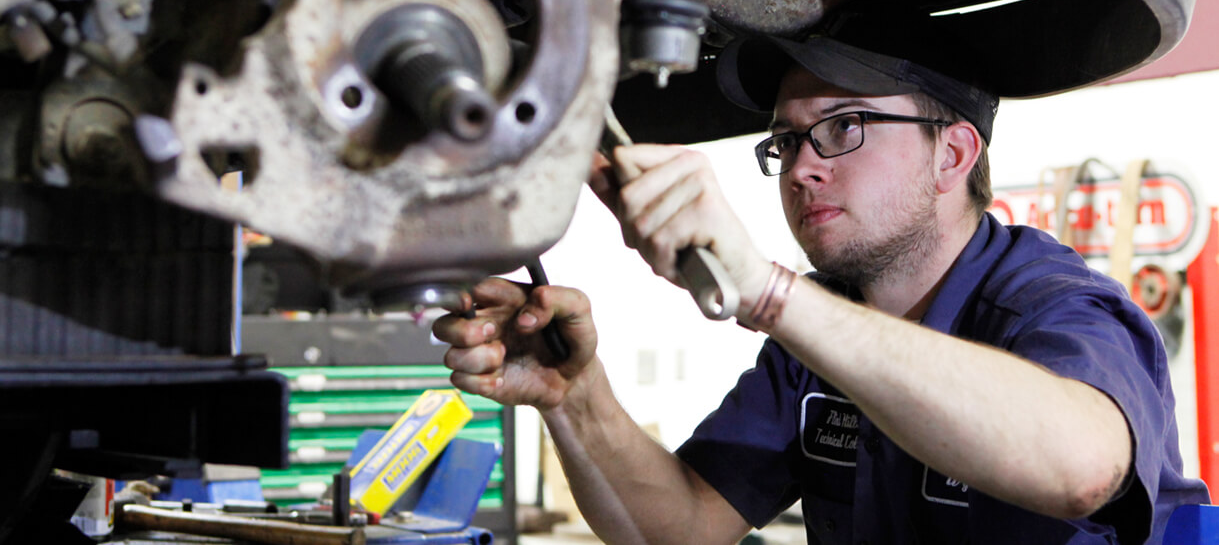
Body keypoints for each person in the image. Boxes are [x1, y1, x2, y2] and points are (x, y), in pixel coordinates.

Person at [432, 28, 1210, 544]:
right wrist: (575, 396)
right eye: (788, 140)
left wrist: (769, 294)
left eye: (844, 127)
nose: (803, 165)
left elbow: (1079, 469)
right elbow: (681, 526)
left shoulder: (1052, 305)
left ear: (953, 154)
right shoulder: (822, 331)